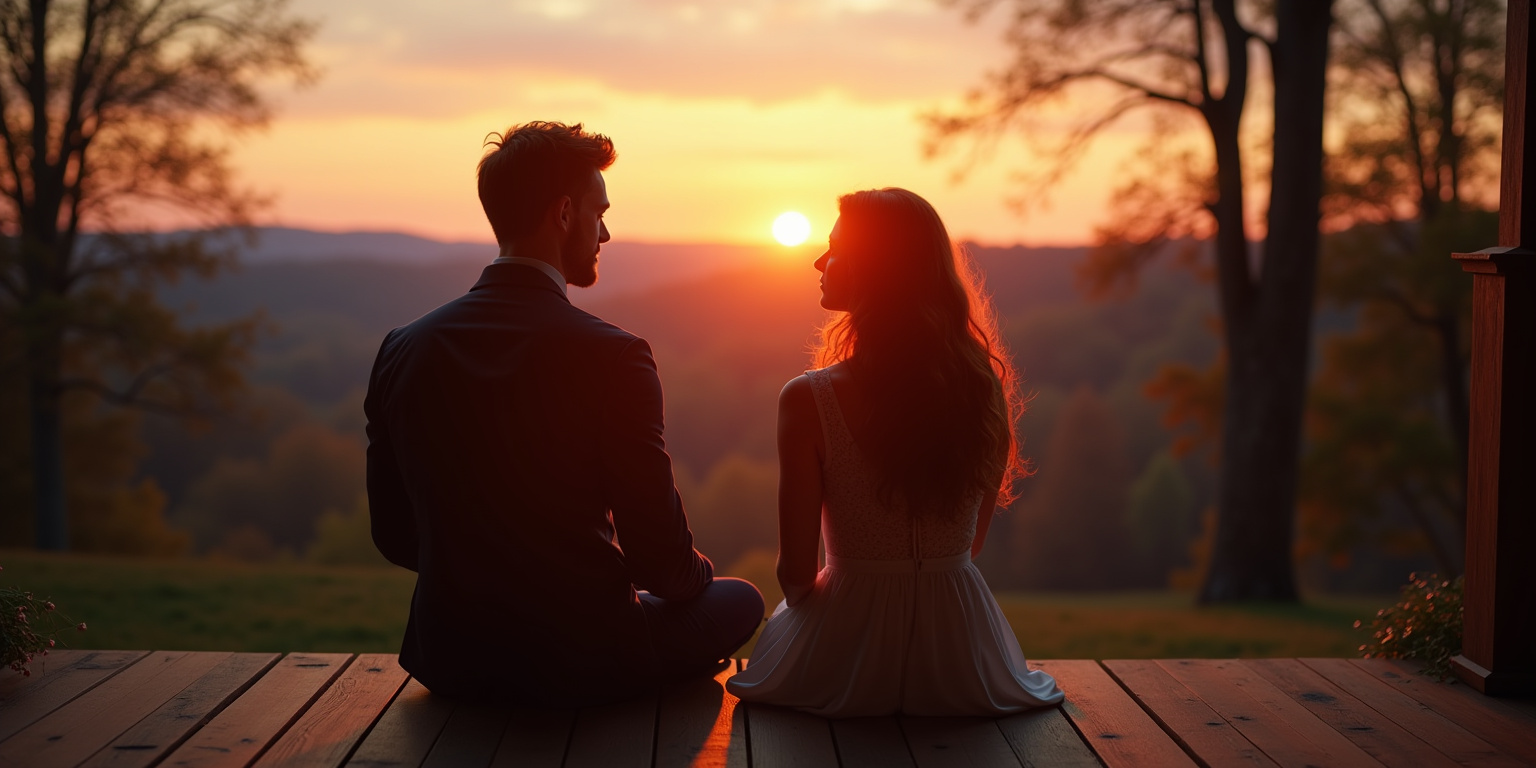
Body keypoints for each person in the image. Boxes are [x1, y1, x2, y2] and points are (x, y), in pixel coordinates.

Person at [364, 121, 763, 706]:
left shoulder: (402, 347)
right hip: (580, 658)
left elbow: (395, 535)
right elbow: (662, 565)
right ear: (563, 214)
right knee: (743, 599)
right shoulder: (615, 355)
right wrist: (697, 575)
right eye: (599, 213)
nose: (605, 233)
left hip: (450, 657)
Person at [726, 187, 1064, 717]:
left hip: (844, 652)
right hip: (962, 652)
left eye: (833, 247)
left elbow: (794, 575)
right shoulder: (982, 388)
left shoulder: (809, 398)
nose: (818, 259)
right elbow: (969, 547)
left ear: (869, 267)